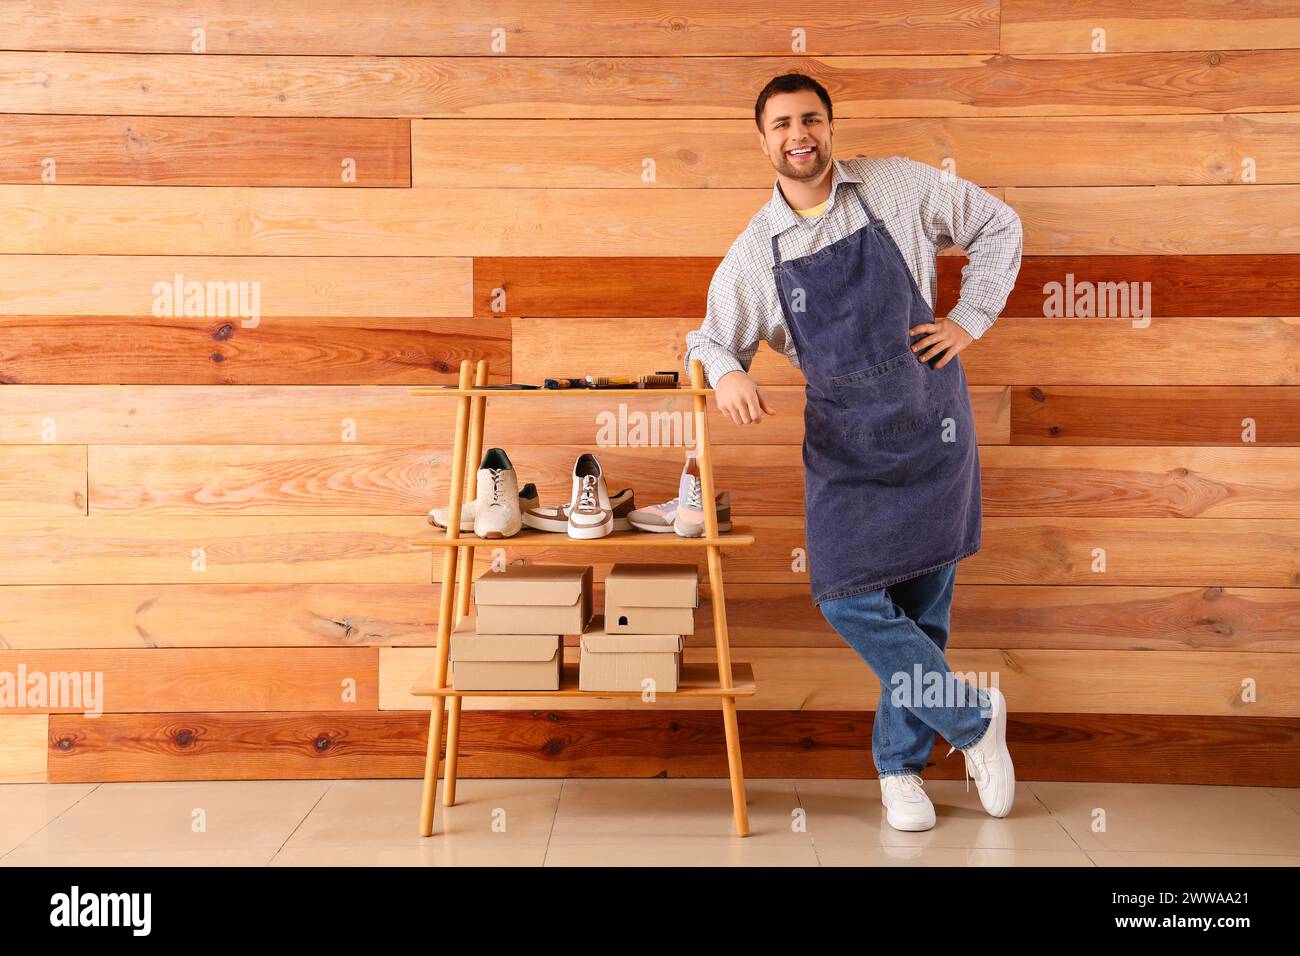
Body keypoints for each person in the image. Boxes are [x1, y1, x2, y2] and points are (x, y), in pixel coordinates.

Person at [684, 72, 1022, 832]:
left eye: (811, 119)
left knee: (922, 617)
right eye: (782, 124)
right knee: (846, 597)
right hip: (847, 451)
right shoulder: (756, 250)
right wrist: (732, 369)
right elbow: (706, 338)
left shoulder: (897, 188)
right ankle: (972, 720)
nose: (798, 135)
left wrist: (969, 317)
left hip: (932, 429)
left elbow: (1000, 225)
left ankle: (900, 772)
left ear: (831, 127)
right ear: (762, 139)